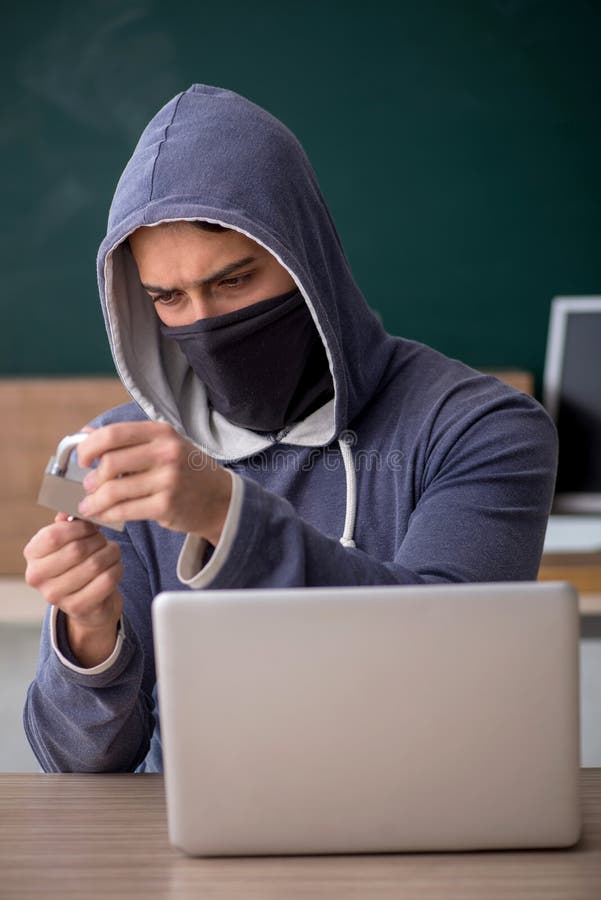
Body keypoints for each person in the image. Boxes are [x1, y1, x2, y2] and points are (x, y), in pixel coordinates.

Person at [23, 84, 557, 773]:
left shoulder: (483, 428)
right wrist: (87, 634)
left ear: (308, 261)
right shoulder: (114, 455)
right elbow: (77, 766)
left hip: (426, 829)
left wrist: (225, 514)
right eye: (169, 298)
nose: (206, 324)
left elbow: (444, 664)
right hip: (194, 855)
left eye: (235, 282)